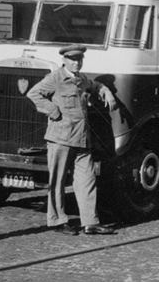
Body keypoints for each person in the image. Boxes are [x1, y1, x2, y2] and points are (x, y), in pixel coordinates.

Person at [27, 44, 118, 236]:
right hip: (61, 138)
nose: (77, 63)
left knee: (87, 180)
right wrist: (53, 111)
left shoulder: (82, 79)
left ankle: (90, 223)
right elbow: (34, 93)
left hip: (82, 139)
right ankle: (58, 221)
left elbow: (95, 85)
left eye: (79, 59)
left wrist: (107, 91)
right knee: (57, 181)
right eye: (73, 60)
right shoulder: (55, 78)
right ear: (64, 60)